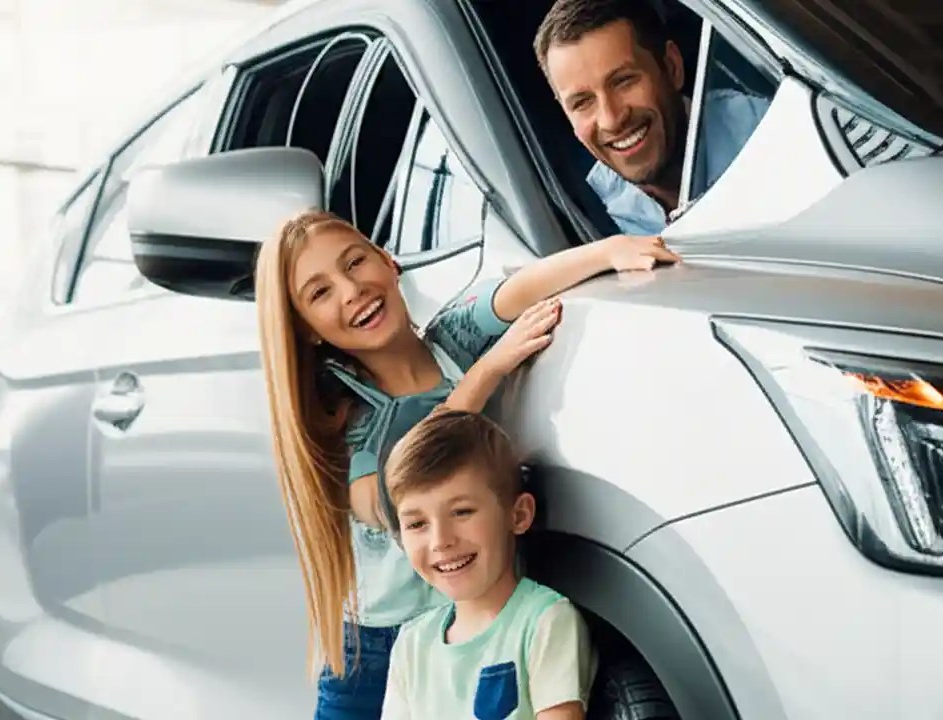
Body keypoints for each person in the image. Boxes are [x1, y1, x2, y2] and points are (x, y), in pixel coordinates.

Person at [254, 209, 676, 719]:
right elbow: (396, 492)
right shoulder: (342, 422)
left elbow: (519, 289)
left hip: (473, 621)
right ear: (308, 330)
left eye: (355, 263)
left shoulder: (451, 342)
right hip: (377, 652)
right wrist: (488, 371)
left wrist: (609, 251)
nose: (351, 290)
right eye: (320, 293)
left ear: (388, 261)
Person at [380, 410, 595, 720]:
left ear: (518, 515)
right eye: (417, 524)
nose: (440, 541)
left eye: (462, 512)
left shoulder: (545, 621)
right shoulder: (411, 643)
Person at [534, 0, 772, 235]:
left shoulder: (768, 130)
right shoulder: (595, 209)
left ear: (672, 68)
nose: (611, 120)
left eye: (623, 81)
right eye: (582, 102)